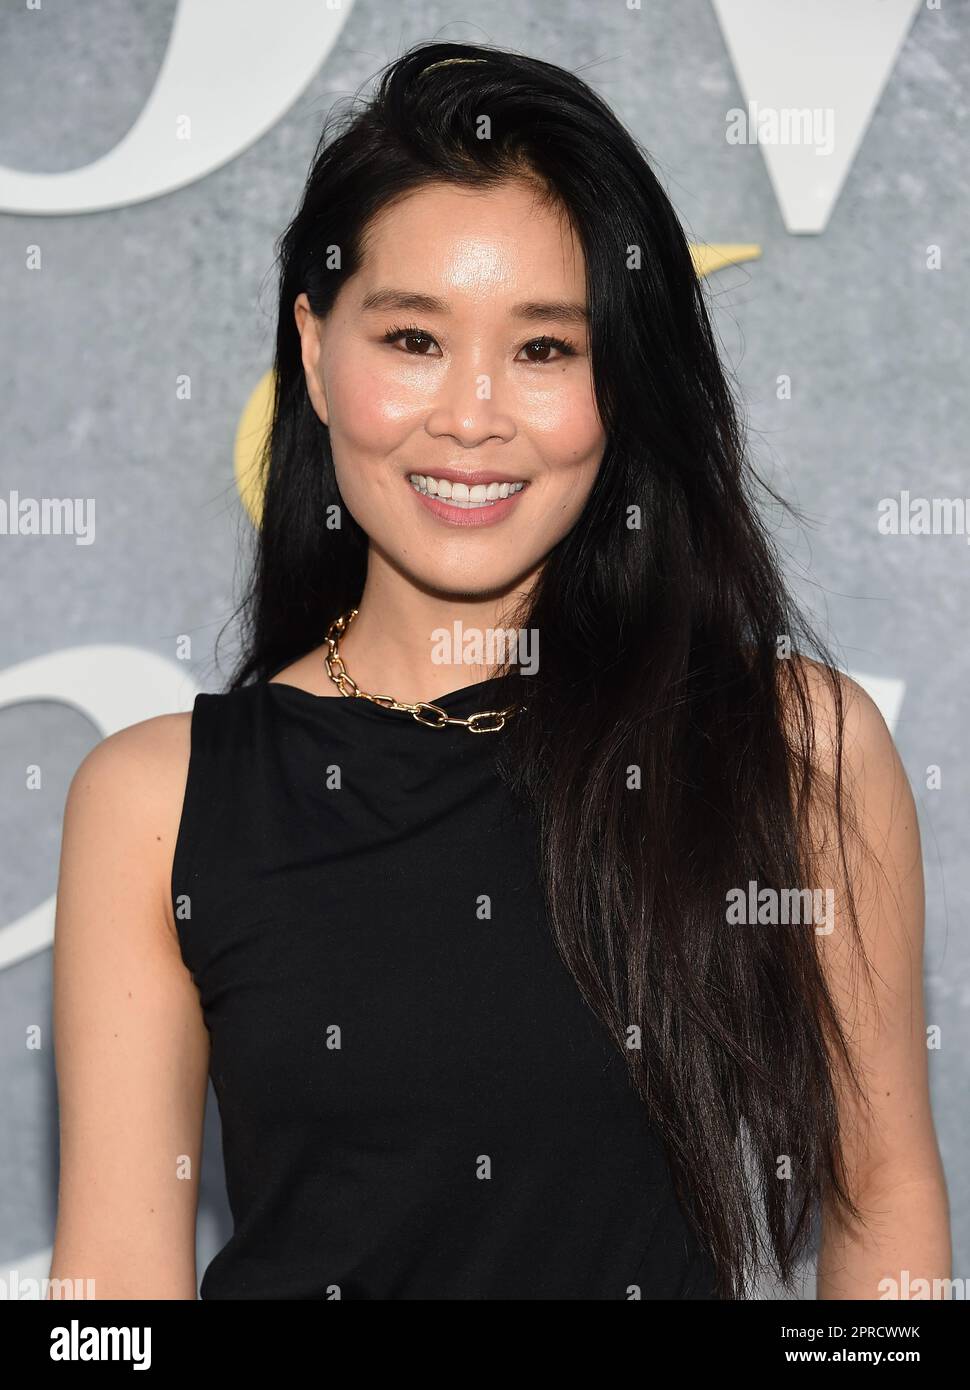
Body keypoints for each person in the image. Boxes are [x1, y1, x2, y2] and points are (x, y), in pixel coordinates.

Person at [48, 41, 949, 1301]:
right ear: (314, 353)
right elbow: (110, 1299)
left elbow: (886, 1209)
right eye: (413, 336)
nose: (471, 415)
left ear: (621, 384)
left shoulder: (789, 744)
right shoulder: (155, 800)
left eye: (543, 350)